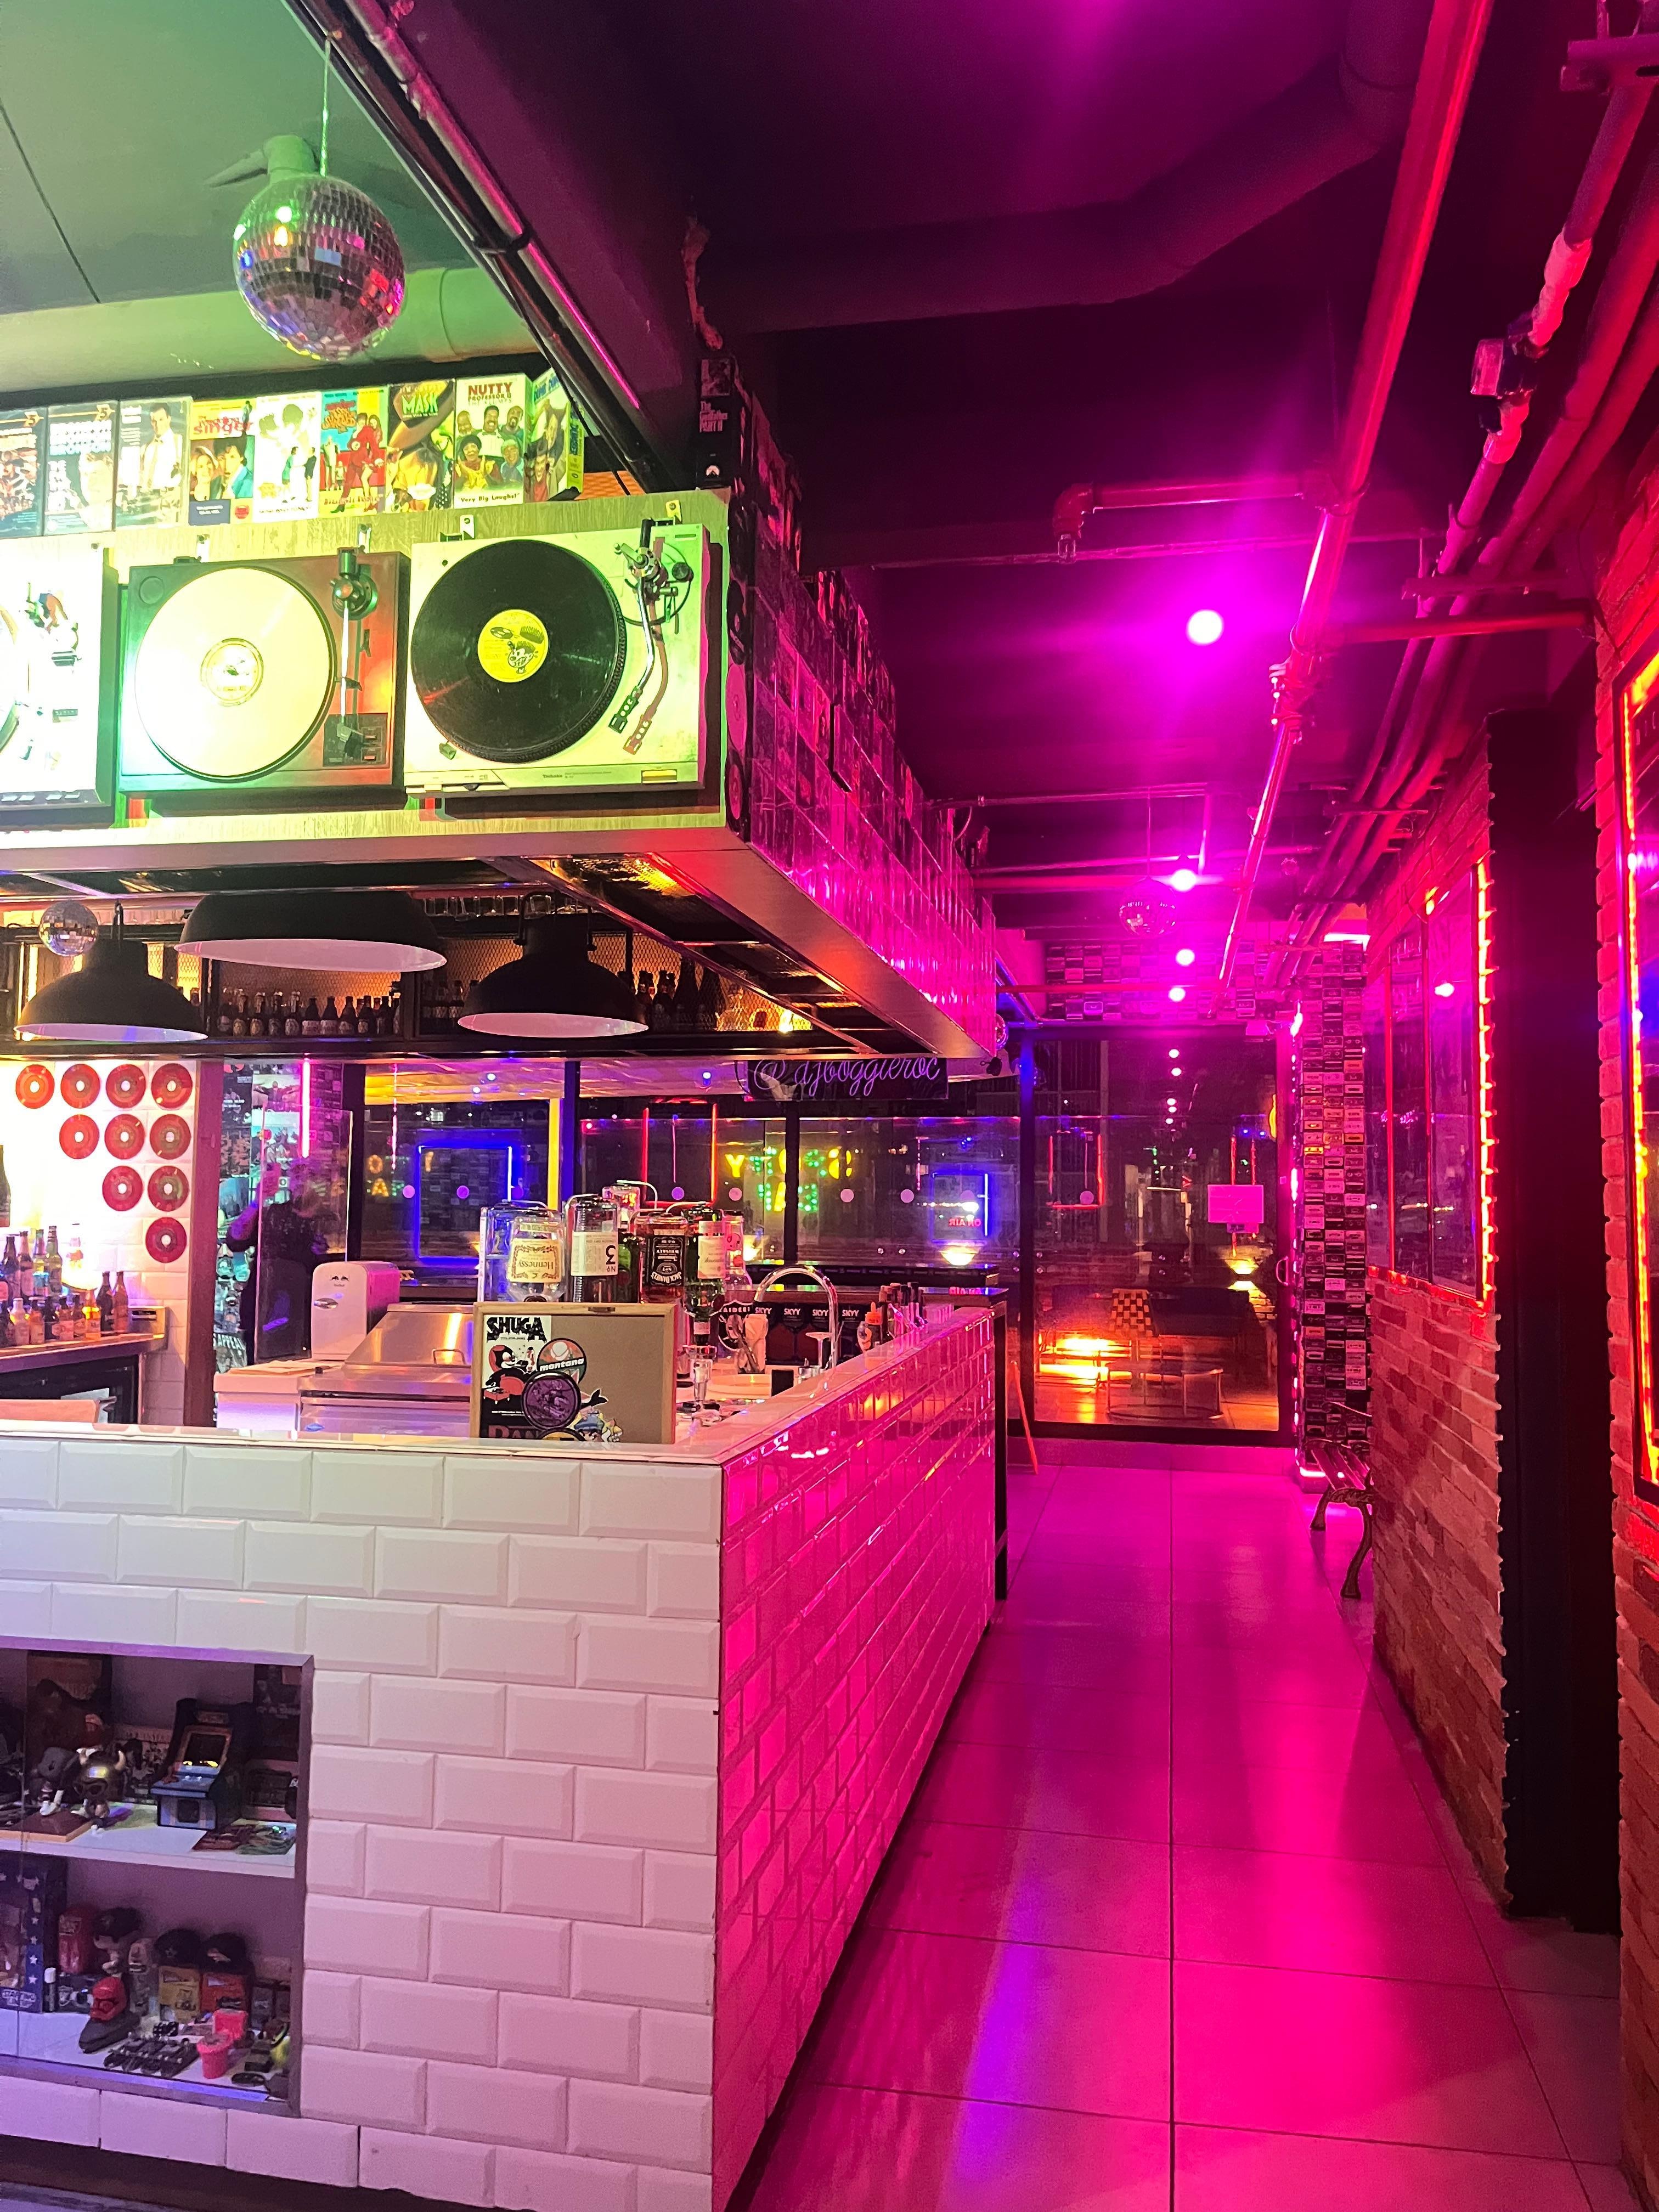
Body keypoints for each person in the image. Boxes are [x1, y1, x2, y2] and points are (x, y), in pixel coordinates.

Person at [223, 1158, 331, 1361]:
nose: (301, 1181)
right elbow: (235, 1240)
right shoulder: (273, 1213)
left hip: (308, 1318)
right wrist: (258, 1201)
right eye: (296, 1174)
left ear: (321, 1181)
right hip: (264, 1315)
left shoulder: (331, 1220)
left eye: (308, 1174)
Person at [138, 403, 180, 495]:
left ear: (169, 419)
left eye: (161, 420)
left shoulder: (179, 442)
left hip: (169, 497)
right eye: (154, 421)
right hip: (146, 497)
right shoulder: (146, 448)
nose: (158, 425)